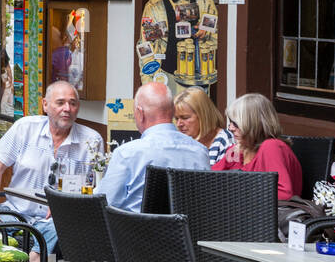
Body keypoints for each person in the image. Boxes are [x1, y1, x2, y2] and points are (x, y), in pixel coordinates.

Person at [0, 80, 103, 262]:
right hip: (16, 211)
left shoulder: (91, 141)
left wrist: (65, 206)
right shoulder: (24, 128)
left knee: (59, 226)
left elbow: (97, 190)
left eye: (72, 103)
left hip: (57, 219)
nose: (66, 108)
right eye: (60, 103)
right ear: (46, 105)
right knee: (7, 226)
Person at [95, 82, 210, 212]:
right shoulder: (200, 152)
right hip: (187, 230)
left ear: (140, 113)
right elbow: (204, 204)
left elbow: (104, 205)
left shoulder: (127, 153)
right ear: (172, 112)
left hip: (136, 230)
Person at [138, 0, 219, 96]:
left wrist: (208, 33)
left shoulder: (205, 3)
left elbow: (220, 41)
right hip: (165, 78)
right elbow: (145, 47)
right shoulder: (154, 6)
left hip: (197, 80)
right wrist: (148, 84)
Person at [213, 92, 303, 200]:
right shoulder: (238, 150)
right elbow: (209, 178)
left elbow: (284, 194)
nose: (231, 128)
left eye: (236, 123)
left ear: (253, 124)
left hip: (269, 215)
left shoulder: (272, 147)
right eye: (230, 122)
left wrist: (234, 191)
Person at [174, 85, 234, 166]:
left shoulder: (227, 140)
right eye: (176, 118)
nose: (179, 124)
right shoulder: (180, 142)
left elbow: (231, 175)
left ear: (203, 116)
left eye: (185, 118)